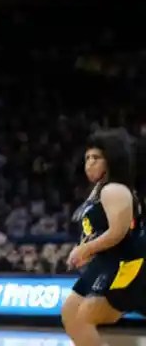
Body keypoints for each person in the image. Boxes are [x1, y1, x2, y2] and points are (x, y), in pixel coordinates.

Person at [62, 128, 146, 346]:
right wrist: (86, 250)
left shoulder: (114, 190)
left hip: (126, 263)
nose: (89, 163)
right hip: (104, 261)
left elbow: (118, 232)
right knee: (71, 314)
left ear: (111, 161)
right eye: (87, 158)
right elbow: (98, 230)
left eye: (96, 158)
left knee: (85, 314)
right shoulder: (98, 191)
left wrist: (85, 249)